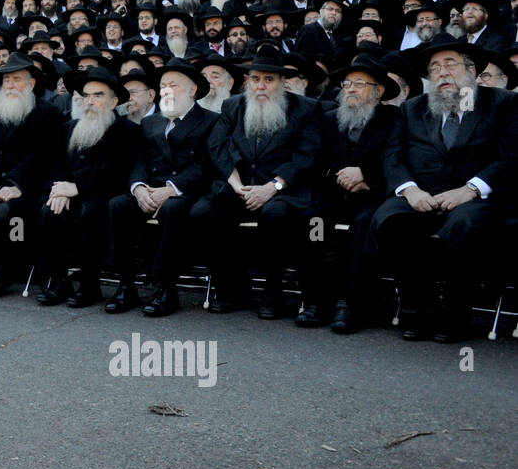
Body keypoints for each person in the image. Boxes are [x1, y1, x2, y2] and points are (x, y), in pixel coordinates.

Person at [371, 38, 518, 342]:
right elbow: (392, 156)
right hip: (422, 195)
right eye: (434, 68)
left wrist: (470, 190)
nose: (442, 73)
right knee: (390, 219)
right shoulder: (412, 109)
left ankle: (456, 312)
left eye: (450, 63)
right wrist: (410, 190)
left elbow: (511, 156)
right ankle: (417, 308)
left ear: (472, 70)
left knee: (464, 225)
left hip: (476, 197)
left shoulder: (503, 103)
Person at [191, 42, 324, 317]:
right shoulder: (232, 106)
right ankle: (234, 287)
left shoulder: (307, 109)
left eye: (268, 79)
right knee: (204, 212)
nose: (261, 86)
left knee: (275, 215)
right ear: (247, 81)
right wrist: (238, 186)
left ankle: (273, 293)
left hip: (284, 190)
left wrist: (272, 187)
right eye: (255, 79)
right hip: (240, 186)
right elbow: (217, 147)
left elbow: (306, 156)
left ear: (282, 81)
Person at [108, 59, 219, 315]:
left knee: (173, 209)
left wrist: (171, 188)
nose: (167, 91)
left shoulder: (211, 121)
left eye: (174, 85)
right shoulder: (151, 122)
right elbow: (139, 161)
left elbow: (205, 166)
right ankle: (126, 285)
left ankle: (166, 288)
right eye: (164, 86)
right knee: (119, 205)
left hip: (187, 191)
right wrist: (138, 187)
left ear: (193, 90)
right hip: (150, 191)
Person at [36, 67, 139, 307]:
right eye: (86, 96)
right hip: (73, 193)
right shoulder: (69, 127)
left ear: (113, 101)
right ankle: (60, 281)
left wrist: (77, 189)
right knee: (49, 210)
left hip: (107, 195)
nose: (90, 101)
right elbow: (56, 165)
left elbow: (117, 173)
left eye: (98, 95)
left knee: (89, 212)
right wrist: (58, 189)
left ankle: (89, 285)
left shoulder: (127, 131)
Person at [315, 56, 402, 333]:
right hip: (334, 194)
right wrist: (338, 176)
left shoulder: (394, 119)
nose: (350, 88)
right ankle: (317, 299)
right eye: (347, 83)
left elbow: (397, 158)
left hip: (373, 195)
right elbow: (315, 161)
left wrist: (366, 174)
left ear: (378, 91)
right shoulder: (329, 119)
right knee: (312, 222)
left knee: (363, 226)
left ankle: (351, 304)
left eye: (360, 83)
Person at [0, 53, 66, 299]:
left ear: (31, 84)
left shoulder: (49, 114)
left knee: (9, 215)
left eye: (16, 80)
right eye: (7, 80)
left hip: (29, 188)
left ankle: (5, 270)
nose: (10, 85)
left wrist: (17, 185)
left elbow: (45, 157)